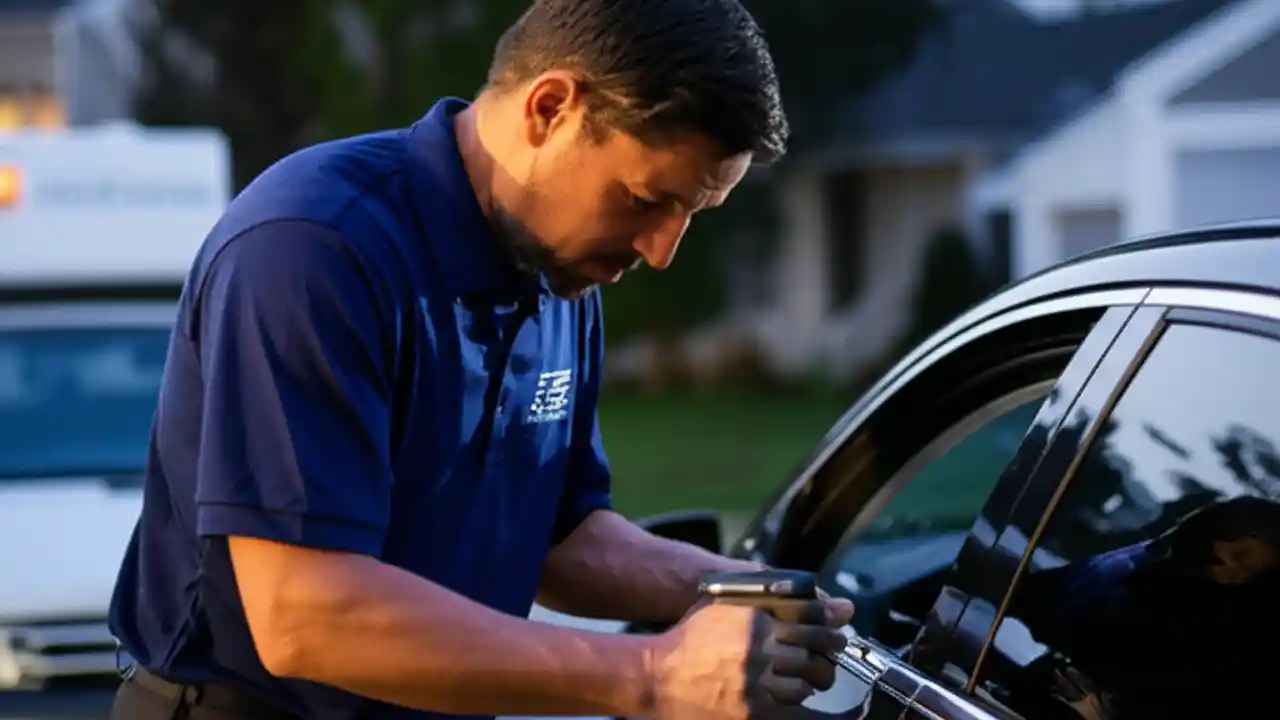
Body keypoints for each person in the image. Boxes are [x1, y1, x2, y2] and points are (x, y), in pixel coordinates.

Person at [106, 1, 854, 719]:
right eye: (643, 199)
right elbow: (303, 613)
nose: (660, 250)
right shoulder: (314, 248)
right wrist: (653, 675)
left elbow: (560, 542)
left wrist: (734, 590)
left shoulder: (561, 274)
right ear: (551, 108)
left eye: (691, 215)